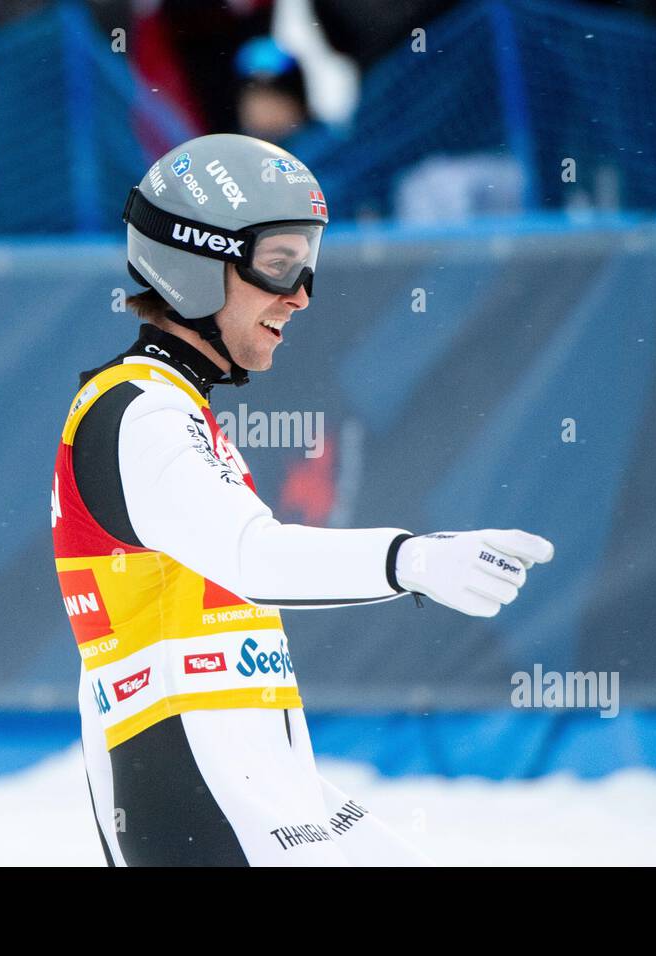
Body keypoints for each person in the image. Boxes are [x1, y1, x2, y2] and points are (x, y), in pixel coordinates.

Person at [51, 133, 554, 866]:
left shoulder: (161, 408)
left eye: (307, 264)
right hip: (203, 787)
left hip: (241, 781)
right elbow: (256, 558)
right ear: (195, 263)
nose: (302, 295)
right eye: (280, 263)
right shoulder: (141, 414)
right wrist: (410, 560)